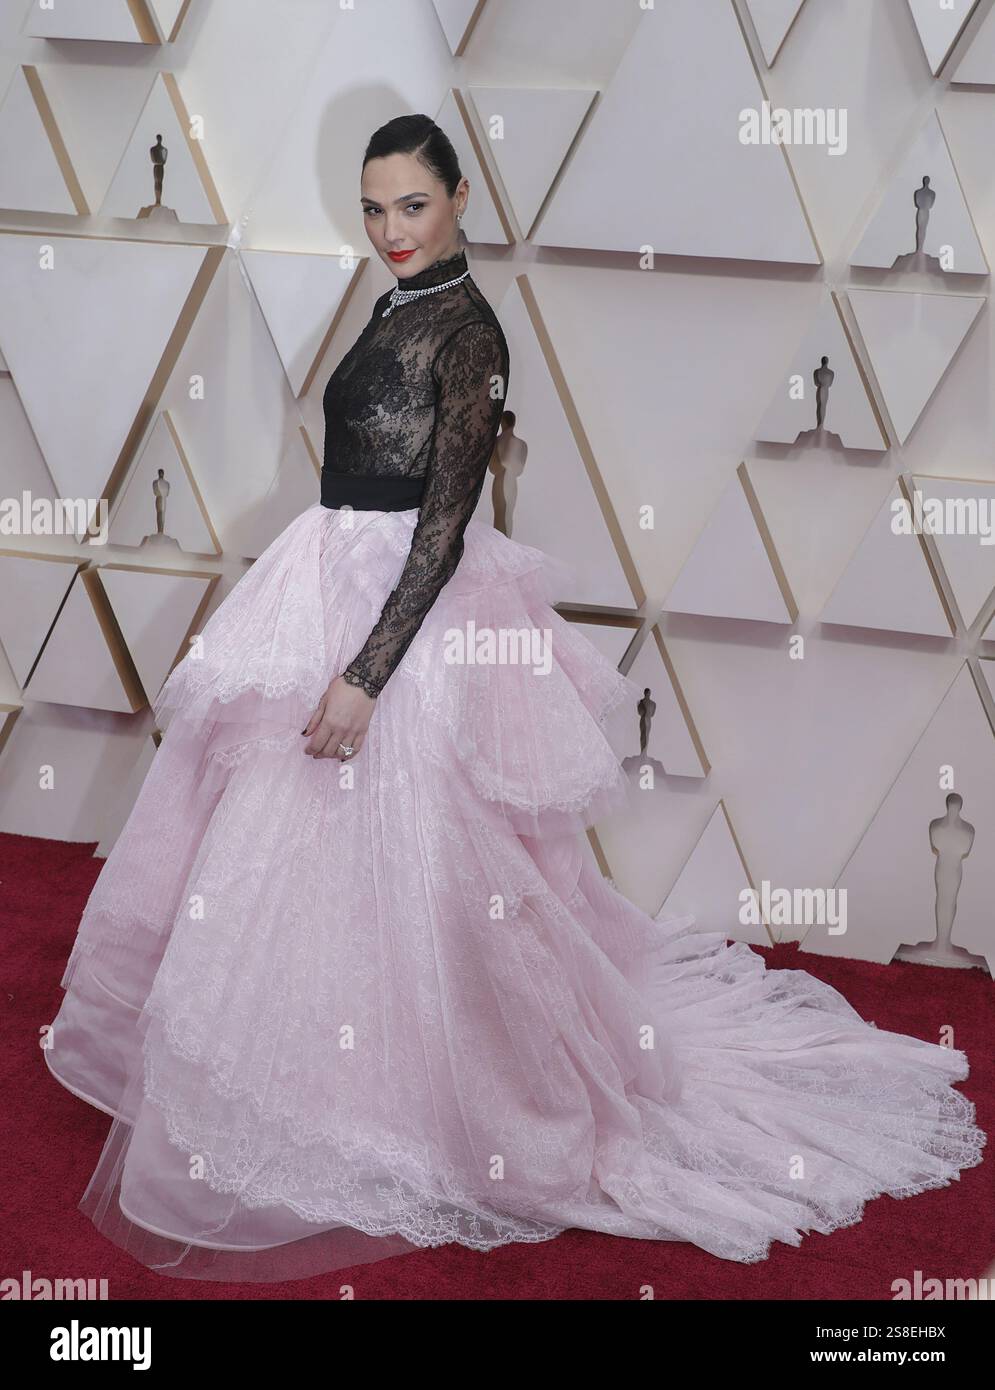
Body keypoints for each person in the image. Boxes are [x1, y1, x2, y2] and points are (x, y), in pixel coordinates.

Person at [44, 115, 986, 1283]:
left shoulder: (473, 333)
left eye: (413, 207)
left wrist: (361, 677)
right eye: (374, 207)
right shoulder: (396, 301)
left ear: (458, 197)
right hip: (329, 572)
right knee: (283, 858)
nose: (390, 230)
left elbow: (442, 530)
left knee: (431, 870)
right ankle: (308, 1083)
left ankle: (437, 1108)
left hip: (402, 621)